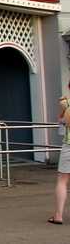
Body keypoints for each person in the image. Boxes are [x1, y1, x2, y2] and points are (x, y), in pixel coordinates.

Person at [50, 80, 70, 225]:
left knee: (63, 180)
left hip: (69, 145)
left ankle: (58, 215)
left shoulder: (68, 105)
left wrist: (63, 109)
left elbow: (63, 122)